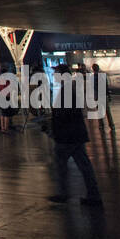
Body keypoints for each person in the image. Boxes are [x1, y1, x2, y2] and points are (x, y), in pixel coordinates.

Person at [48, 66, 102, 207]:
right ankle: (93, 195)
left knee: (62, 165)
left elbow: (65, 114)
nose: (53, 75)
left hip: (67, 136)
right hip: (75, 134)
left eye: (55, 73)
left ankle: (64, 193)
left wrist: (53, 126)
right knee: (84, 166)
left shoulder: (67, 90)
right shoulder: (71, 88)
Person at [87, 64, 115, 132]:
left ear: (93, 69)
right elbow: (106, 86)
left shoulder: (92, 77)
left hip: (97, 96)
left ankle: (101, 125)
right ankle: (111, 125)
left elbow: (92, 87)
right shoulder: (102, 76)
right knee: (108, 112)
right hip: (103, 95)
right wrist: (108, 95)